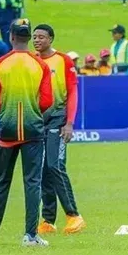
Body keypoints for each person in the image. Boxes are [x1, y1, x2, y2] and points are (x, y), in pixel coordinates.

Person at [0, 19, 54, 247]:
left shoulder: (0, 64)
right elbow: (47, 101)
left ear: (11, 37)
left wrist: (8, 112)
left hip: (7, 131)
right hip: (33, 130)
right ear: (29, 37)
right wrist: (31, 111)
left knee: (0, 181)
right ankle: (30, 235)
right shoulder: (40, 65)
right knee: (32, 182)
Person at [32, 24, 86, 236]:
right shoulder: (33, 60)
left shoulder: (63, 60)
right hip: (39, 119)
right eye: (35, 37)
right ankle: (48, 220)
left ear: (51, 39)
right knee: (44, 169)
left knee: (55, 165)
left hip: (58, 118)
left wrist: (69, 123)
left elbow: (72, 91)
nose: (37, 40)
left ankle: (74, 216)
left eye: (42, 37)